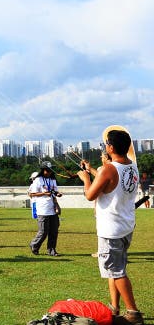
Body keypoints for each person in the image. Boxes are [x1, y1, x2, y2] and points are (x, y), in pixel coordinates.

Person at [78, 127, 142, 325]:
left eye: (106, 144)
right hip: (125, 226)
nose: (105, 146)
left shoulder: (109, 169)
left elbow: (90, 195)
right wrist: (93, 170)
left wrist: (86, 179)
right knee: (114, 269)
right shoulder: (131, 166)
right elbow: (110, 180)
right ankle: (114, 308)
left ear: (111, 147)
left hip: (110, 230)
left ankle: (133, 312)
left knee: (116, 271)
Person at [28, 163, 62, 256]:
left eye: (50, 170)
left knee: (54, 230)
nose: (49, 172)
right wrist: (44, 194)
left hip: (52, 208)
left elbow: (54, 191)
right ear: (43, 170)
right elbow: (32, 194)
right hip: (42, 209)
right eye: (47, 170)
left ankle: (51, 250)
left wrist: (57, 194)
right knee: (43, 231)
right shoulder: (38, 180)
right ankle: (34, 244)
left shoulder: (52, 180)